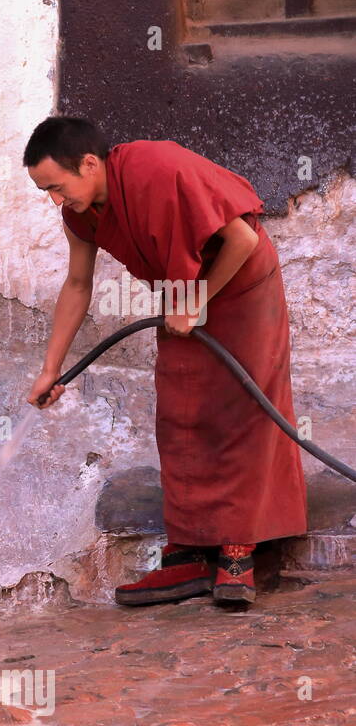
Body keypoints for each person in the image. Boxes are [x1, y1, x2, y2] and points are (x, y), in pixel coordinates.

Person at [23, 116, 306, 606]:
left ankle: (238, 553)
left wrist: (199, 300)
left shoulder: (159, 168)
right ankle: (190, 554)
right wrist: (51, 367)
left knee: (239, 412)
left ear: (89, 164)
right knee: (182, 412)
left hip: (241, 285)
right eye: (45, 191)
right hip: (185, 296)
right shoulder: (82, 212)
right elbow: (76, 284)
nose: (54, 200)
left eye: (56, 186)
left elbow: (243, 240)